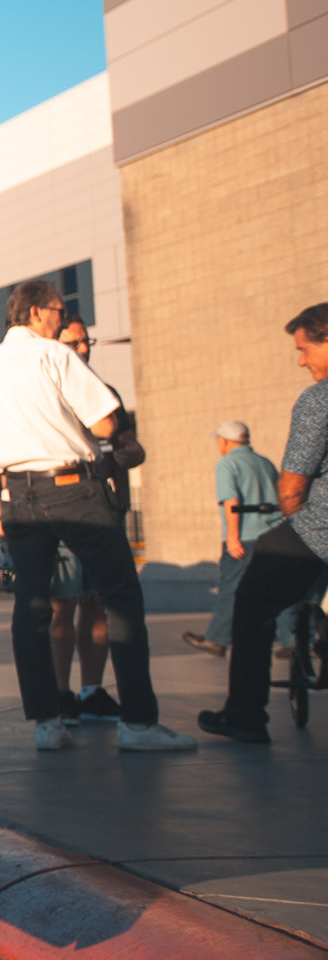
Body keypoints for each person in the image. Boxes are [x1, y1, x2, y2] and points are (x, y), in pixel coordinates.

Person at [0, 279, 194, 752]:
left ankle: (47, 724)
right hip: (73, 491)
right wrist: (117, 437)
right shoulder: (54, 356)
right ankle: (138, 725)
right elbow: (105, 422)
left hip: (17, 498)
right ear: (34, 313)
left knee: (30, 608)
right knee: (121, 596)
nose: (62, 318)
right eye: (57, 309)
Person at [199, 304, 328, 744]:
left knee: (252, 602)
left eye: (304, 349)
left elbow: (292, 488)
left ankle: (245, 715)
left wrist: (297, 526)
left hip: (318, 532)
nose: (300, 361)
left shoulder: (319, 398)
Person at [47, 315, 141, 724]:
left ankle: (91, 691)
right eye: (74, 344)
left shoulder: (107, 393)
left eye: (87, 343)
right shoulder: (47, 393)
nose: (83, 351)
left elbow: (130, 444)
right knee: (61, 607)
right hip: (64, 513)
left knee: (98, 604)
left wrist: (130, 456)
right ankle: (60, 695)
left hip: (106, 512)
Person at [182, 422, 284, 658]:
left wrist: (233, 537)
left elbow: (231, 501)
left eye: (218, 440)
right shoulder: (265, 462)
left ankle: (217, 639)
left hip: (245, 535)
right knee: (276, 587)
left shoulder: (227, 463)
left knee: (231, 587)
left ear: (226, 441)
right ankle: (291, 641)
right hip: (272, 534)